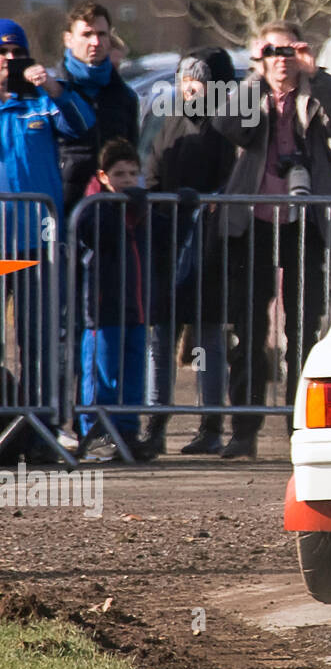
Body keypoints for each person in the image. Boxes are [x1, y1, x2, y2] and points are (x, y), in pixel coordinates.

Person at [211, 21, 331, 459]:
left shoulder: (314, 94)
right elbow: (228, 125)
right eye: (272, 52)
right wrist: (255, 74)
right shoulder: (252, 94)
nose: (281, 60)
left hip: (306, 225)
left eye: (289, 52)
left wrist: (317, 76)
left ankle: (302, 427)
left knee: (303, 329)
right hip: (254, 224)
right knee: (249, 329)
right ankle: (244, 430)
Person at [0, 18, 95, 446]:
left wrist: (55, 87)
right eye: (1, 54)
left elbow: (82, 125)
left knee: (37, 343)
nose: (9, 61)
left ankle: (38, 429)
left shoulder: (40, 101)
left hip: (37, 242)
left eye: (16, 52)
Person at [142, 47, 240, 456]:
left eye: (197, 78)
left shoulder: (231, 124)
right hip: (165, 242)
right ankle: (155, 425)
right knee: (160, 339)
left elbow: (236, 179)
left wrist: (216, 200)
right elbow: (148, 171)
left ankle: (211, 426)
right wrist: (153, 202)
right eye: (184, 78)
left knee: (207, 338)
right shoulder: (163, 118)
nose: (189, 86)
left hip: (212, 246)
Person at [76, 139, 197, 462]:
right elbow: (100, 237)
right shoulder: (92, 209)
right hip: (102, 312)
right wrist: (121, 206)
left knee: (132, 377)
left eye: (132, 173)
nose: (128, 180)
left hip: (137, 309)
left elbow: (167, 239)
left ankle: (126, 434)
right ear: (103, 176)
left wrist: (184, 211)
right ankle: (96, 436)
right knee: (103, 375)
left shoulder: (139, 210)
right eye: (120, 174)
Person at [57, 1, 140, 216]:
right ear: (68, 39)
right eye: (86, 34)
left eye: (102, 34)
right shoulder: (52, 92)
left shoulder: (125, 96)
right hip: (60, 210)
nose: (95, 42)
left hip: (111, 214)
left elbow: (131, 153)